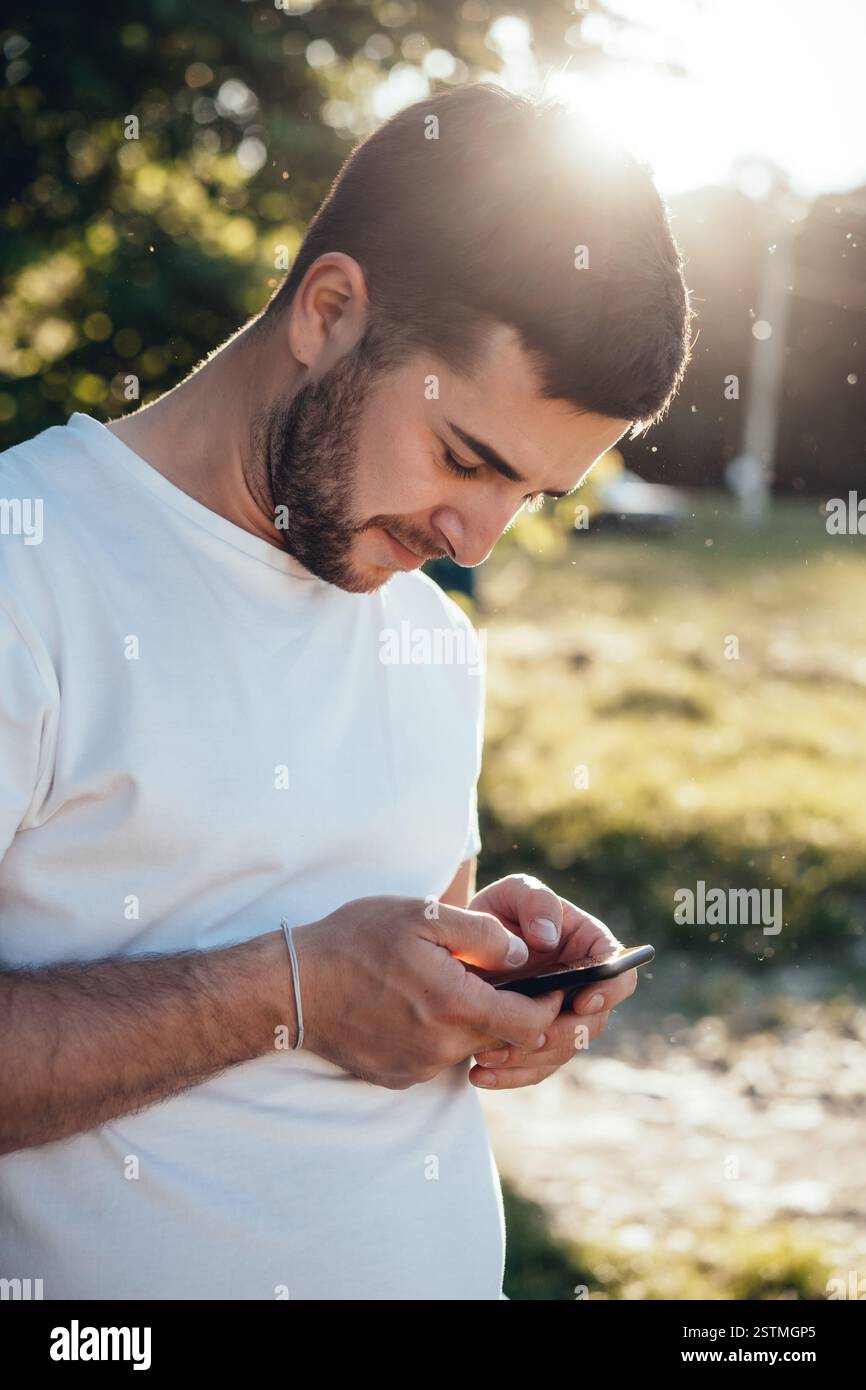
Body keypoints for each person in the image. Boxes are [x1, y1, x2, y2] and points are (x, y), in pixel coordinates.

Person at [0, 83, 693, 1300]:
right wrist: (290, 992)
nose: (476, 538)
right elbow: (319, 982)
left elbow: (391, 967)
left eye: (529, 496)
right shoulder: (28, 566)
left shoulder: (431, 635)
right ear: (328, 310)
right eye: (464, 458)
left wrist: (494, 977)